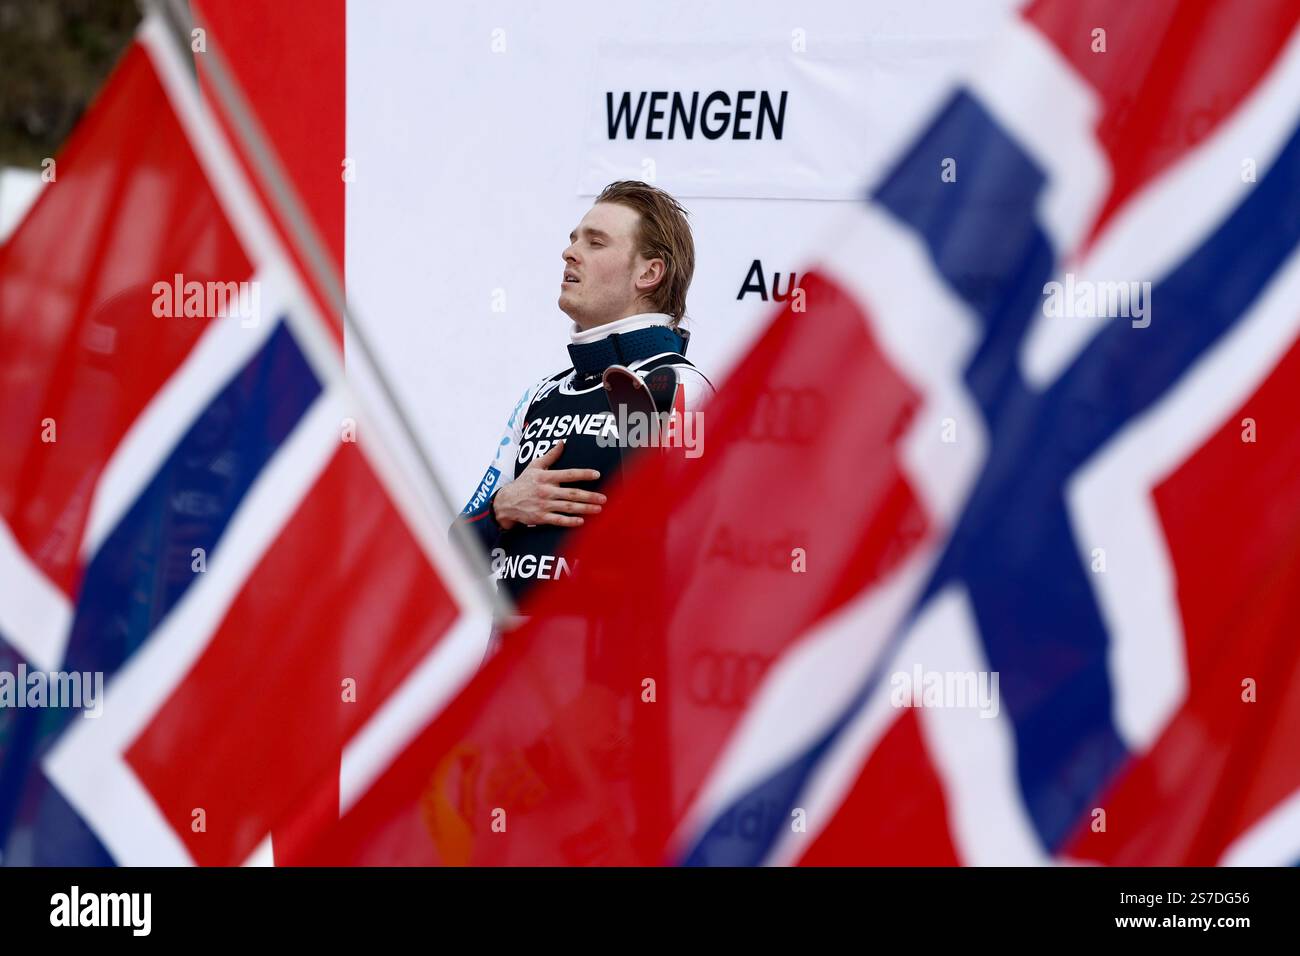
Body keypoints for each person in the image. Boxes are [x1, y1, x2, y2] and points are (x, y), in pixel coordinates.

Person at [453, 180, 714, 617]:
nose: (570, 252)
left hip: (609, 676)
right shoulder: (541, 395)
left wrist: (641, 484)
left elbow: (698, 557)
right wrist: (503, 508)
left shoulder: (677, 386)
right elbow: (453, 554)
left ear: (648, 273)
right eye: (573, 239)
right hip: (512, 673)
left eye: (596, 242)